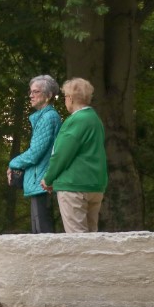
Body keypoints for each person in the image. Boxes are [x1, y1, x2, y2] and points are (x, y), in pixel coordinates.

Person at [42, 78, 107, 233]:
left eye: (65, 97)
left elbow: (62, 154)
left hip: (74, 186)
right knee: (92, 238)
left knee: (77, 241)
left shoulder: (76, 120)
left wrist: (49, 178)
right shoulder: (95, 120)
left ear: (70, 98)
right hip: (95, 185)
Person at [8, 75, 62, 233]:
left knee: (42, 232)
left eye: (35, 92)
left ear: (48, 95)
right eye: (30, 92)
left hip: (42, 180)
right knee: (39, 231)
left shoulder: (48, 117)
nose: (30, 95)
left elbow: (35, 153)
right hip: (40, 179)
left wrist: (13, 163)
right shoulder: (44, 117)